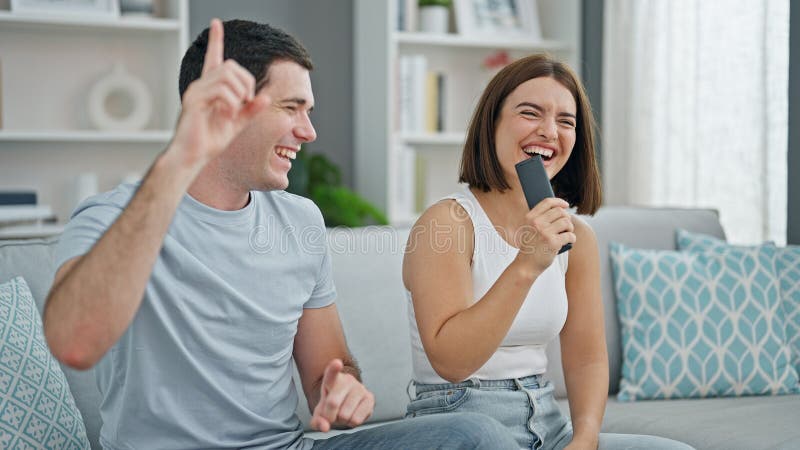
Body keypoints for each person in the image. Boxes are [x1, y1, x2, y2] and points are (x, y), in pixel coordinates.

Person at [43, 19, 517, 450]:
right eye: (291, 108)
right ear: (227, 109)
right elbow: (75, 342)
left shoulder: (300, 221)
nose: (309, 131)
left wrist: (339, 388)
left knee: (474, 435)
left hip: (286, 448)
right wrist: (180, 159)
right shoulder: (114, 217)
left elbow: (325, 370)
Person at [402, 54, 695, 450]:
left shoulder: (577, 237)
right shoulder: (446, 223)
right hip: (460, 422)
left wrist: (586, 438)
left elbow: (587, 359)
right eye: (530, 113)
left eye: (565, 121)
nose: (549, 131)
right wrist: (527, 263)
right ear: (492, 124)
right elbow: (451, 362)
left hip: (546, 422)